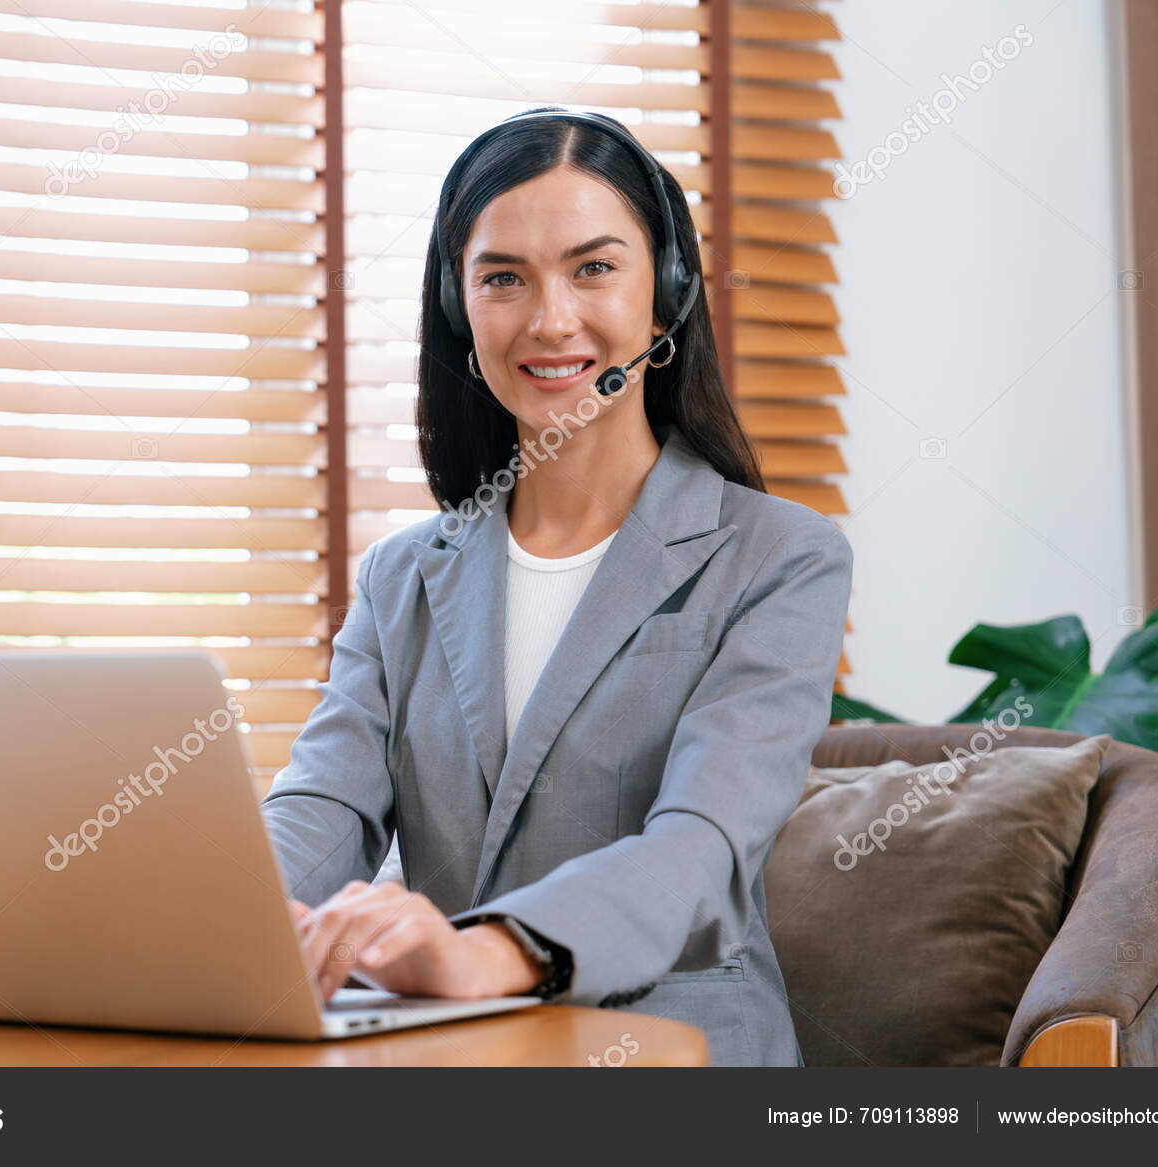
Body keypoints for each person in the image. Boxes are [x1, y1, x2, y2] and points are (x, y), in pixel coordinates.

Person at [259, 106, 853, 1066]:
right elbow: (324, 809)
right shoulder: (403, 576)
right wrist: (224, 922)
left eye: (594, 267)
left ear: (664, 298)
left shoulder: (778, 556)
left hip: (672, 1057)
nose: (550, 319)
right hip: (449, 1058)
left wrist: (484, 950)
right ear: (459, 309)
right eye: (503, 278)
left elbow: (701, 850)